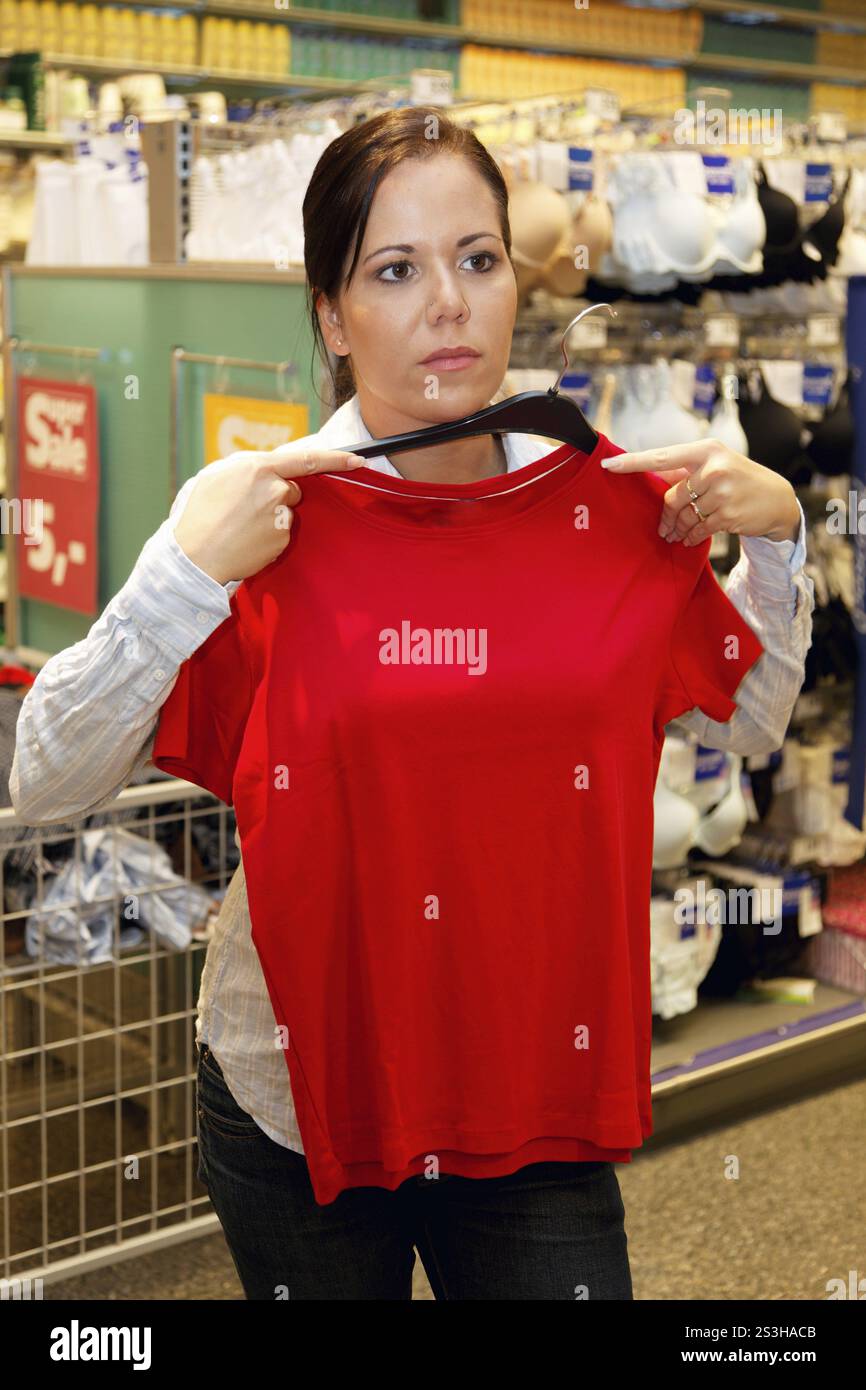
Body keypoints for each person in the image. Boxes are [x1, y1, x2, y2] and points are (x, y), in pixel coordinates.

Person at [10, 107, 814, 1300]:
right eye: (394, 269)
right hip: (297, 1097)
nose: (448, 301)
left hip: (534, 1099)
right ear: (331, 316)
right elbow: (41, 776)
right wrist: (181, 574)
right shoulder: (258, 521)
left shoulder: (608, 512)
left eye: (476, 259)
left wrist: (783, 542)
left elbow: (744, 725)